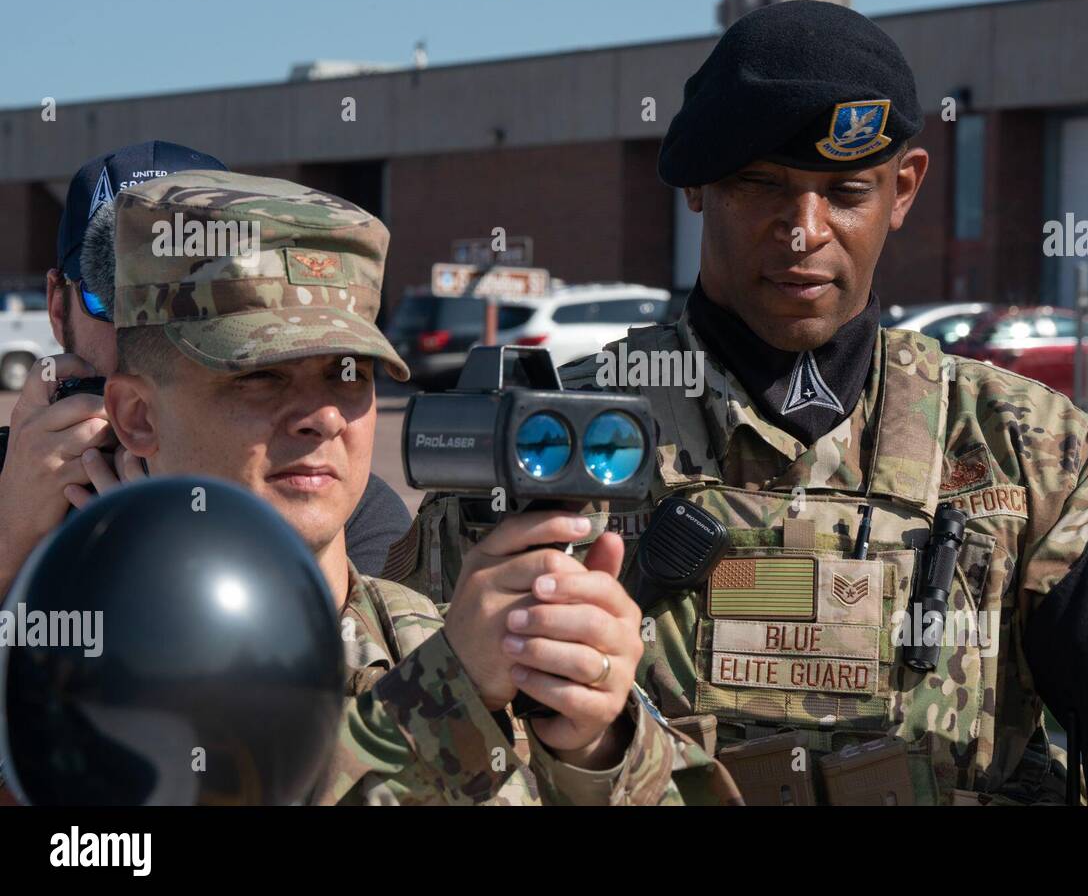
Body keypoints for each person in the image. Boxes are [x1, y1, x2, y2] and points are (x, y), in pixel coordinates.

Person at [390, 0, 1088, 805]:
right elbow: (407, 768)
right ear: (699, 187)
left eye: (846, 192)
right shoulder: (553, 450)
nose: (804, 232)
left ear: (903, 190)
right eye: (763, 187)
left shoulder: (1029, 453)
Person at [94, 168, 733, 805]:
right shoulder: (73, 667)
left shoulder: (441, 637)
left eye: (350, 376)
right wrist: (445, 701)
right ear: (137, 418)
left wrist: (595, 747)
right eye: (260, 376)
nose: (322, 416)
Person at [0, 141, 410, 597]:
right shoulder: (12, 479)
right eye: (112, 296)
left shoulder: (328, 492)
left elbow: (370, 658)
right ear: (58, 308)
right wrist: (11, 536)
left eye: (191, 305)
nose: (144, 329)